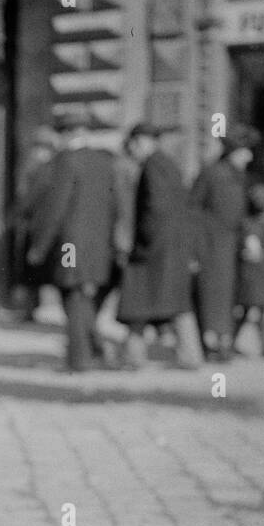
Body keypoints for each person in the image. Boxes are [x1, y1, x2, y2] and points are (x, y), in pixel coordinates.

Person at [24, 125, 123, 371]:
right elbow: (116, 203)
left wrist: (40, 246)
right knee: (82, 296)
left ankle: (79, 360)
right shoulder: (104, 161)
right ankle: (97, 349)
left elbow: (56, 208)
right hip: (98, 244)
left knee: (73, 295)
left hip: (71, 245)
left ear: (66, 135)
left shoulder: (65, 160)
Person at [116, 124, 202, 369]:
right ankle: (189, 354)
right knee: (175, 302)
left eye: (132, 145)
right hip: (173, 247)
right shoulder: (167, 163)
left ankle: (133, 356)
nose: (132, 151)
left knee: (137, 300)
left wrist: (144, 243)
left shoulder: (153, 166)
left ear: (140, 141)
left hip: (155, 248)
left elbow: (155, 208)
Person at [189, 124, 260, 361]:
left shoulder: (239, 177)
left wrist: (248, 238)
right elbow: (193, 210)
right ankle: (211, 343)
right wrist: (195, 248)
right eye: (245, 151)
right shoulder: (212, 173)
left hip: (232, 245)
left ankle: (223, 341)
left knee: (231, 296)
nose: (249, 157)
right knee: (212, 296)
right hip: (211, 245)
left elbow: (243, 213)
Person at [9, 126, 59, 321]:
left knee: (31, 268)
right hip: (43, 225)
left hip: (36, 225)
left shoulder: (40, 169)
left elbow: (28, 198)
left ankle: (31, 308)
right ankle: (32, 306)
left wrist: (16, 214)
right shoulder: (52, 167)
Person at [234, 181, 264, 357]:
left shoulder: (257, 226)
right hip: (255, 277)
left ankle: (235, 341)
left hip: (258, 276)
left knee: (251, 312)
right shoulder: (254, 227)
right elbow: (252, 250)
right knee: (256, 311)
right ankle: (262, 345)